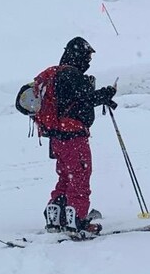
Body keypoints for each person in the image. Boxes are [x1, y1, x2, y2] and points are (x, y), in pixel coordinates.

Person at [43, 37, 117, 237]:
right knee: (80, 177)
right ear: (78, 55)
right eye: (87, 56)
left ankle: (55, 216)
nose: (89, 61)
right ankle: (77, 221)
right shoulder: (71, 75)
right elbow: (85, 98)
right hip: (73, 136)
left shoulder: (56, 74)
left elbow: (77, 100)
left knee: (65, 177)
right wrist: (106, 93)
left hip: (56, 137)